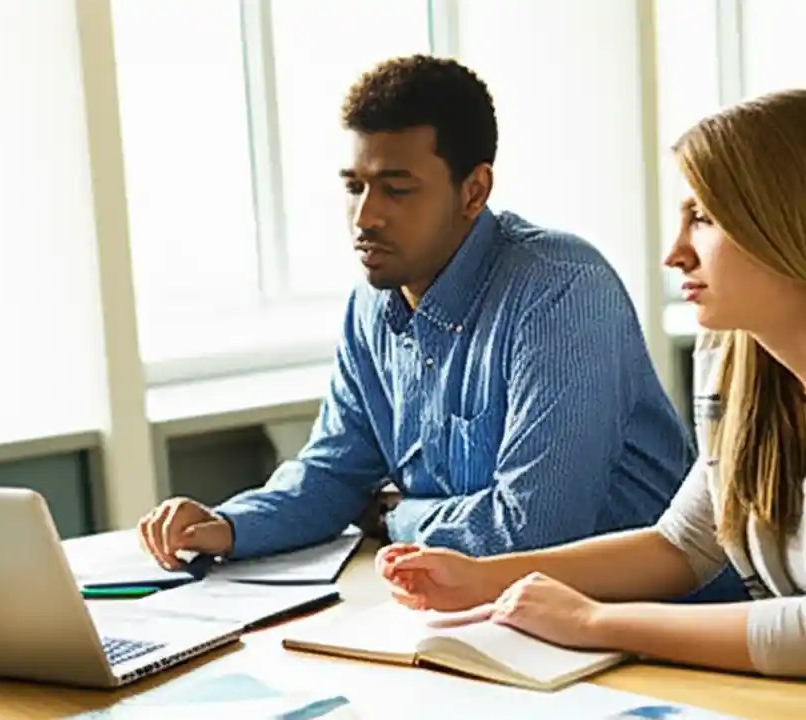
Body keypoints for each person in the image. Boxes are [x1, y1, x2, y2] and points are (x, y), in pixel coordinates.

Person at [138, 55, 695, 570]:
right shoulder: (371, 305)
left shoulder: (561, 292)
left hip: (656, 626)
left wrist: (395, 517)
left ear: (474, 191)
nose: (365, 217)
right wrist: (228, 525)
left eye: (396, 189)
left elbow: (535, 531)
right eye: (354, 187)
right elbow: (333, 473)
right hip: (502, 618)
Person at [380, 89, 806, 677]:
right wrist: (482, 579)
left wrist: (592, 622)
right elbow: (681, 545)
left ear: (788, 224)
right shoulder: (734, 357)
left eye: (702, 219)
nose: (674, 254)